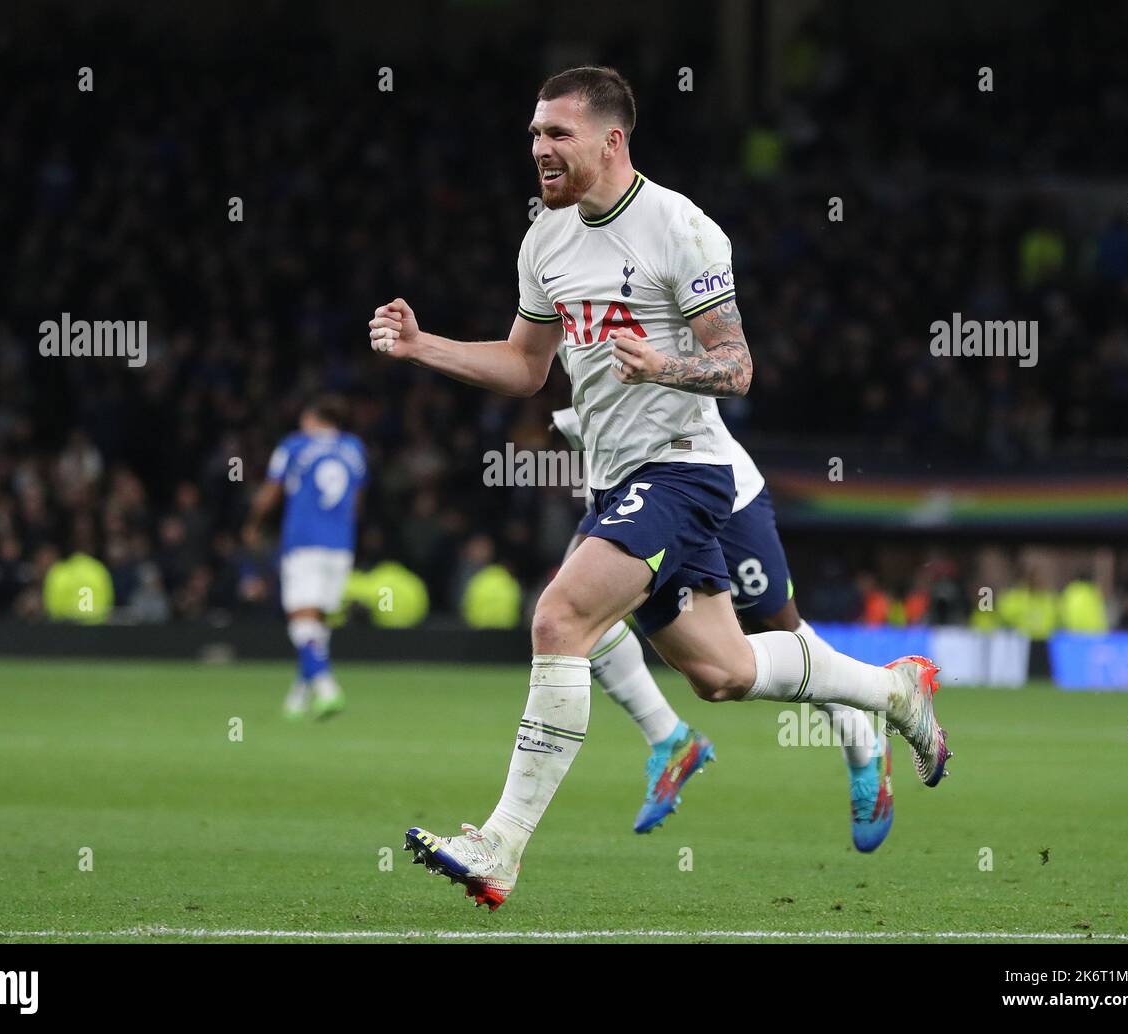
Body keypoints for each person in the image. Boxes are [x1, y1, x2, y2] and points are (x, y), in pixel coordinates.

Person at [370, 66, 950, 911]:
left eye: (556, 134)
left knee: (560, 616)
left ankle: (500, 845)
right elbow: (527, 368)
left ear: (612, 139)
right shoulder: (546, 241)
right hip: (615, 481)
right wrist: (426, 348)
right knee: (721, 672)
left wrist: (665, 363)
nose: (539, 149)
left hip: (683, 467)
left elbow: (738, 365)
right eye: (534, 134)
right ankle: (889, 689)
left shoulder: (680, 228)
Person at [551, 405, 893, 851]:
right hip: (626, 489)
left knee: (778, 623)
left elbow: (721, 363)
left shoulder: (654, 334)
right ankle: (669, 739)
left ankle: (863, 742)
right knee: (569, 611)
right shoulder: (559, 337)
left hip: (712, 482)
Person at [243, 397, 367, 719]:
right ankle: (299, 695)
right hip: (341, 546)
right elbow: (355, 502)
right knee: (319, 623)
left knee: (301, 623)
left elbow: (273, 489)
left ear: (312, 418)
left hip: (304, 543)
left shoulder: (295, 445)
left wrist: (254, 523)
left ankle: (327, 689)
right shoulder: (354, 448)